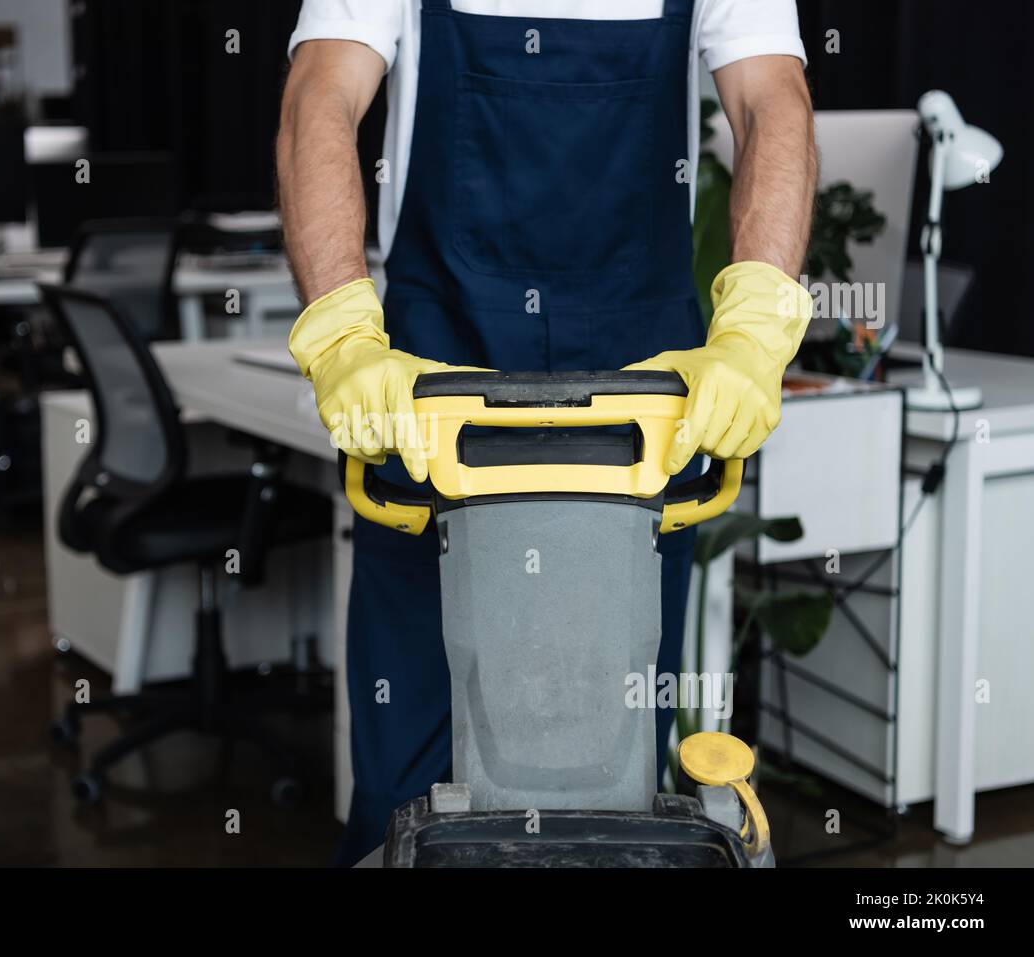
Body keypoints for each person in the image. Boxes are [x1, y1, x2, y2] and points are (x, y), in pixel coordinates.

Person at [277, 0, 816, 866]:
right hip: (428, 423)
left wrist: (755, 327)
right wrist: (342, 328)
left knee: (610, 792)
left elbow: (773, 102)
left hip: (637, 431)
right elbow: (320, 97)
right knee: (399, 796)